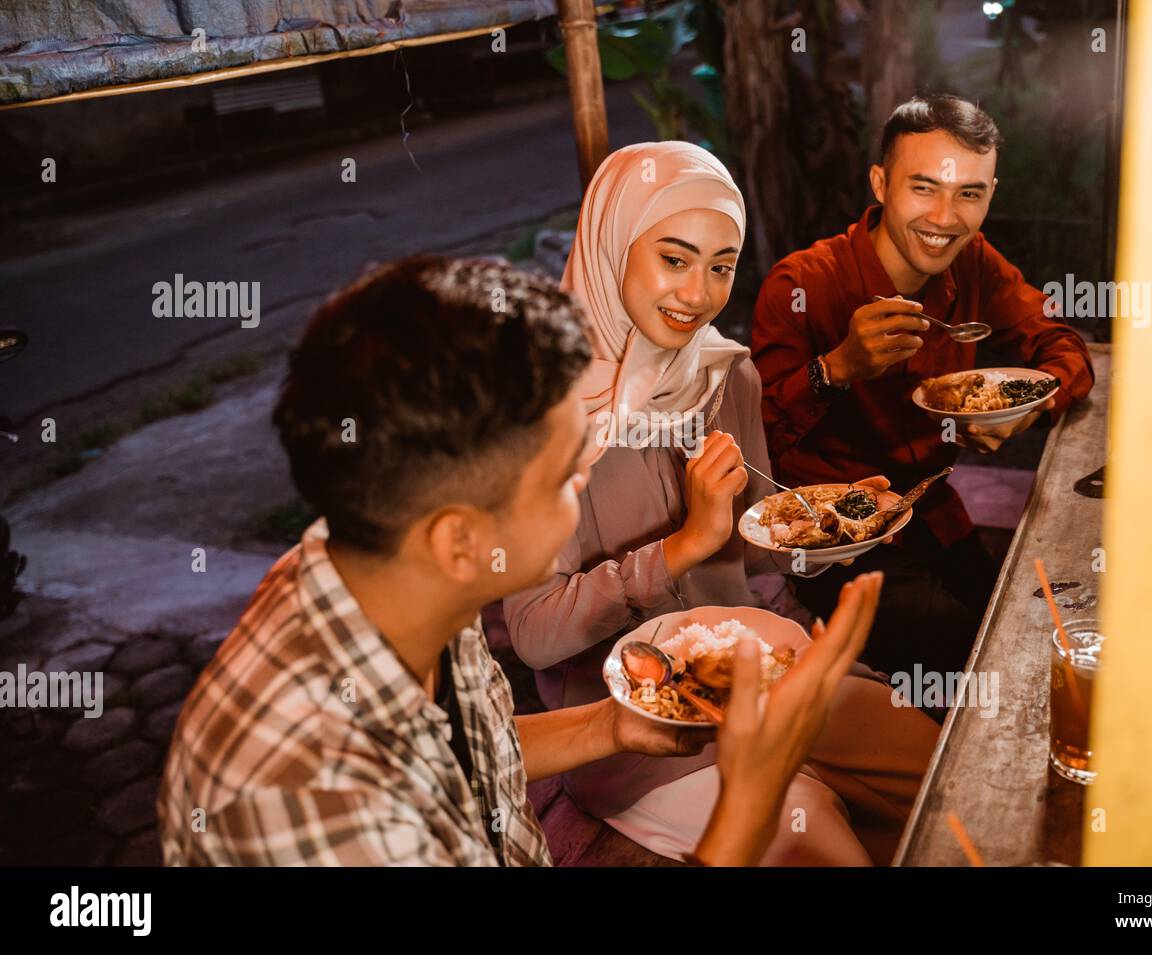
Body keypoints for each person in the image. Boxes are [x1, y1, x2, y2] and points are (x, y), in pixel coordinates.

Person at [157, 255, 885, 867]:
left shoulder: (383, 568)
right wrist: (748, 803)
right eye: (569, 474)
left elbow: (464, 744)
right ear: (460, 538)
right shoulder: (322, 807)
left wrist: (615, 727)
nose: (587, 483)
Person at [504, 141, 939, 866]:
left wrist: (829, 524)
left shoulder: (722, 372)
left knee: (951, 783)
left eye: (721, 266)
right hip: (646, 726)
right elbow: (535, 637)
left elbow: (757, 545)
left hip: (769, 670)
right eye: (673, 259)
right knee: (822, 844)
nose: (699, 294)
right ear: (612, 248)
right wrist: (682, 545)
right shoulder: (534, 409)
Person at [752, 95, 1095, 688]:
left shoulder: (974, 263)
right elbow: (758, 439)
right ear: (881, 183)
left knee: (1043, 628)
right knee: (989, 665)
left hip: (936, 514)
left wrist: (1027, 413)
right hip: (835, 546)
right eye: (925, 187)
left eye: (970, 193)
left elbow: (1062, 343)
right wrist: (835, 367)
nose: (945, 218)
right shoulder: (803, 283)